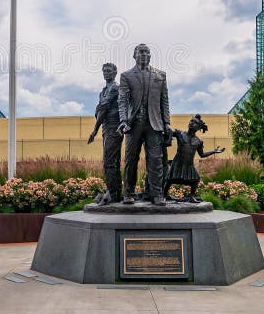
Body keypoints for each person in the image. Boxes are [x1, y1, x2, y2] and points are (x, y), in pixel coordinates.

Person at [118, 43, 171, 206]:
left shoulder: (160, 75)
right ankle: (128, 193)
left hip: (154, 124)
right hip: (133, 124)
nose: (144, 54)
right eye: (141, 52)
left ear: (150, 55)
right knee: (131, 159)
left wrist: (167, 123)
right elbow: (123, 100)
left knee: (155, 160)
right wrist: (123, 120)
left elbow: (164, 101)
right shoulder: (126, 76)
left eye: (147, 52)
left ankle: (156, 194)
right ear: (134, 56)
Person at [164, 114, 225, 202]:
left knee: (195, 179)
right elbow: (169, 132)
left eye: (195, 123)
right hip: (178, 162)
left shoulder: (199, 141)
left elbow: (202, 155)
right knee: (170, 179)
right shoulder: (180, 133)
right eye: (191, 121)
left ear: (199, 127)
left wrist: (214, 151)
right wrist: (167, 127)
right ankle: (164, 195)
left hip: (189, 164)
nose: (191, 123)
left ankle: (191, 197)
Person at [87, 62, 123, 204]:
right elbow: (99, 110)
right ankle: (113, 191)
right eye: (104, 70)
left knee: (110, 162)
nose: (106, 73)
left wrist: (94, 130)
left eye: (109, 70)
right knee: (111, 161)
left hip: (114, 127)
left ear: (114, 73)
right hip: (106, 128)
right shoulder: (103, 90)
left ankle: (112, 192)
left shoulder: (114, 88)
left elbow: (102, 109)